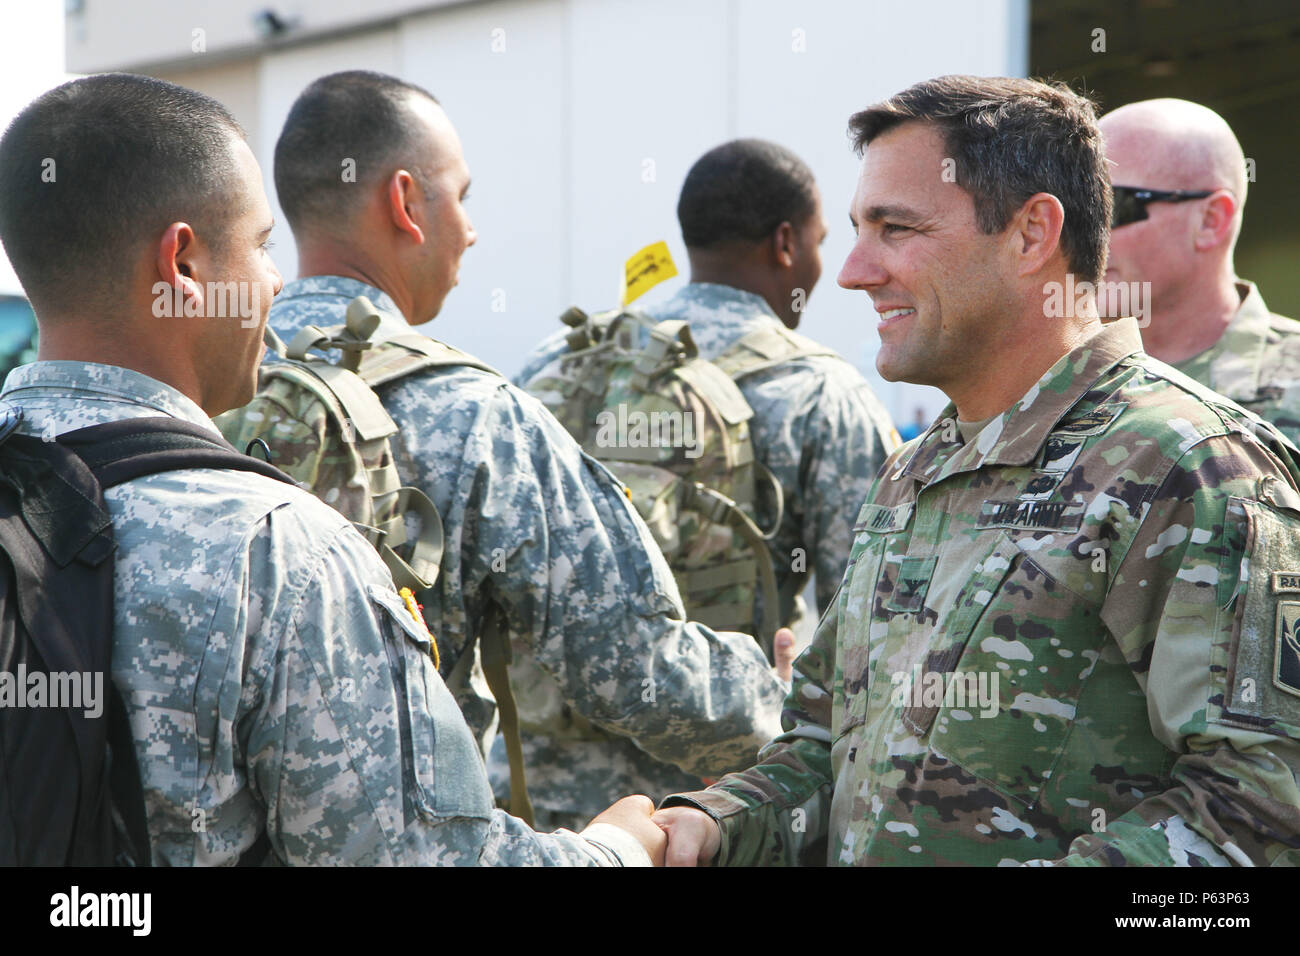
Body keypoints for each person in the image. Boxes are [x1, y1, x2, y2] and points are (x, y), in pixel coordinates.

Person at [0, 72, 664, 866]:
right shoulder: (278, 555)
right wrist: (617, 849)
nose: (277, 282)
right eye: (260, 244)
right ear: (182, 264)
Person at [653, 75, 1300, 867]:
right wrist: (709, 826)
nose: (854, 271)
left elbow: (1261, 811)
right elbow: (824, 751)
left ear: (1032, 235)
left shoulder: (1190, 469)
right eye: (858, 229)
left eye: (897, 229)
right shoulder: (913, 475)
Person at [258, 70, 790, 832]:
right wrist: (780, 698)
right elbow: (636, 666)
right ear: (406, 203)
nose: (470, 228)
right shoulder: (472, 411)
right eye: (461, 195)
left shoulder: (205, 383)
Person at [517, 138, 899, 637]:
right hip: (731, 711)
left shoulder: (559, 358)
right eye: (820, 241)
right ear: (786, 244)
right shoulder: (821, 392)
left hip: (547, 711)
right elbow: (869, 629)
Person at [1100, 98, 1300, 443]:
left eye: (1111, 207)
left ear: (1210, 220)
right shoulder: (1043, 381)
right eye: (1076, 208)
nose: (1083, 235)